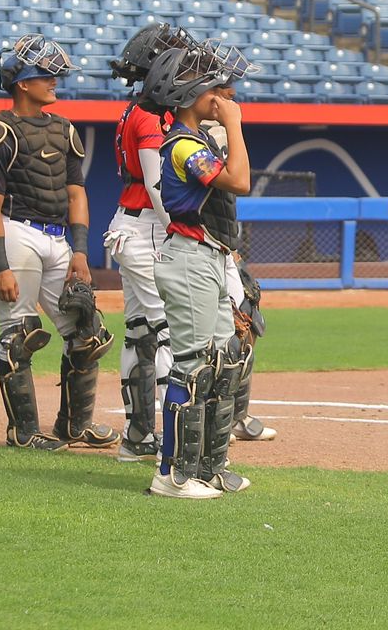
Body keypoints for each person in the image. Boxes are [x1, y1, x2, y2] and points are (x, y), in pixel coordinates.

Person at [0, 34, 118, 451]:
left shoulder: (64, 128)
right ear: (23, 83)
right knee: (18, 336)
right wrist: (1, 265)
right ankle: (23, 432)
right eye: (46, 75)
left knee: (87, 331)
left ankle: (73, 426)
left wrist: (81, 250)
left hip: (58, 239)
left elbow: (76, 194)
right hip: (15, 234)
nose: (55, 81)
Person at [140, 42, 254, 499]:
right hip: (189, 260)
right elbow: (240, 181)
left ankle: (210, 466)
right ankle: (172, 475)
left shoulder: (199, 139)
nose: (223, 96)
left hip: (210, 257)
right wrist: (234, 124)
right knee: (192, 368)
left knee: (225, 362)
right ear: (190, 94)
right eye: (213, 89)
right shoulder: (184, 144)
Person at [104, 23, 193, 462]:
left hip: (132, 226)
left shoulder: (134, 110)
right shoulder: (151, 116)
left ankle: (137, 436)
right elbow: (158, 188)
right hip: (147, 229)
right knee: (166, 334)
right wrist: (180, 231)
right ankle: (171, 446)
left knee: (139, 331)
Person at [196, 43, 275, 444]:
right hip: (195, 245)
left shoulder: (217, 128)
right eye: (225, 85)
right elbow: (233, 184)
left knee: (246, 319)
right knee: (199, 339)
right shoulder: (193, 133)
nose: (232, 92)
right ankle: (195, 422)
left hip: (223, 243)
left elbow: (230, 196)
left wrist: (232, 245)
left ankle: (235, 415)